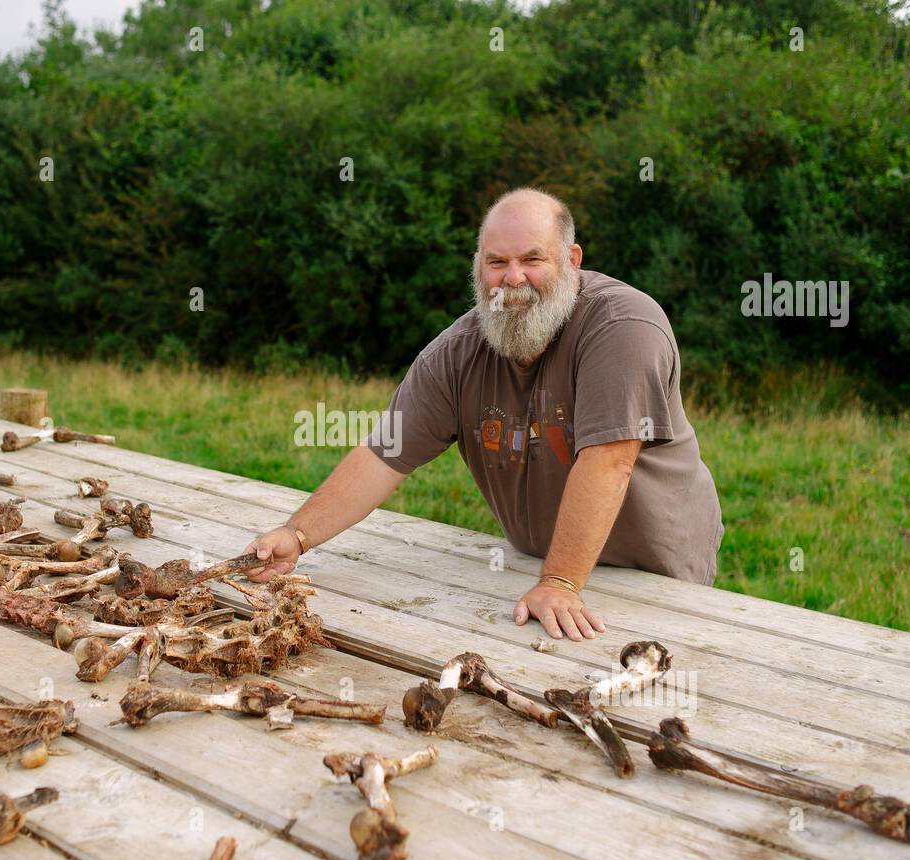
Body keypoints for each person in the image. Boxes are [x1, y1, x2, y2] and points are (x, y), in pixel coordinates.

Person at [244, 187, 723, 643]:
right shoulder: (457, 353)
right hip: (541, 573)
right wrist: (298, 534)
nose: (513, 278)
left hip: (654, 577)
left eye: (533, 259)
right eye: (498, 262)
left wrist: (559, 582)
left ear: (571, 261)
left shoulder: (622, 326)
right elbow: (383, 454)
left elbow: (608, 460)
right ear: (479, 268)